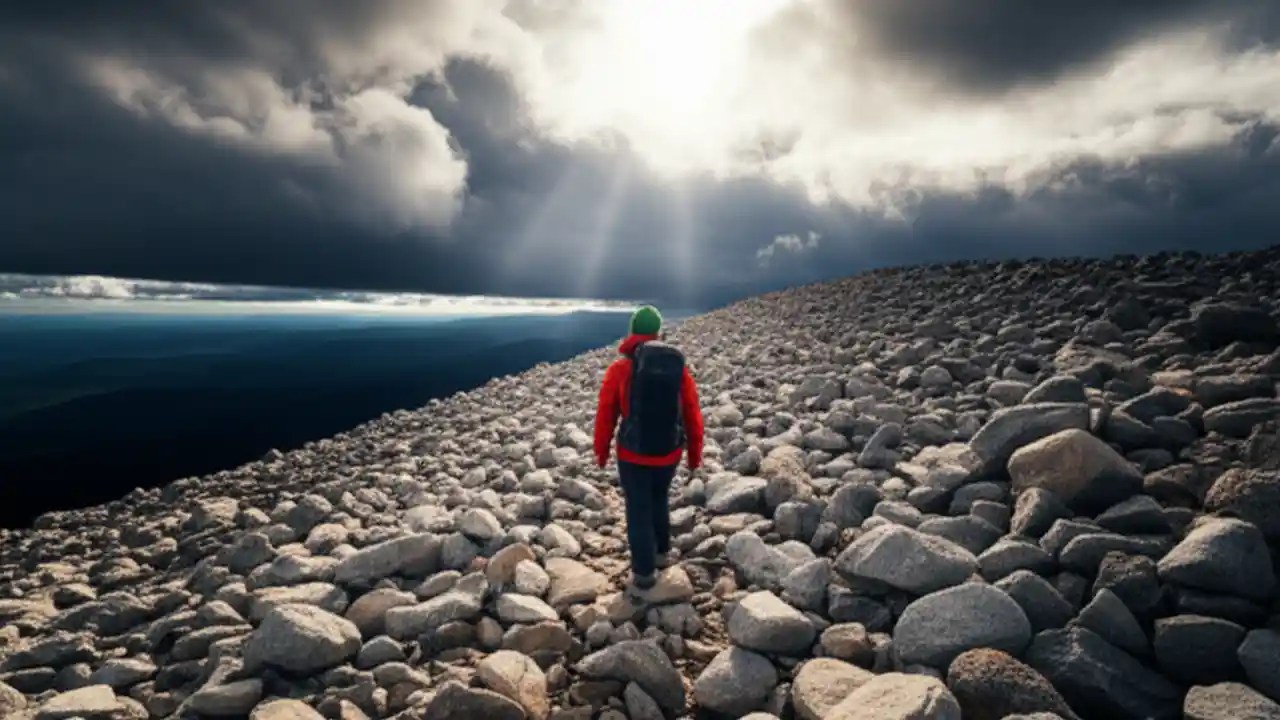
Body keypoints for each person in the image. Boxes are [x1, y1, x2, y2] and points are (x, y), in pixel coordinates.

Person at [594, 305, 703, 600]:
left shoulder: (619, 369)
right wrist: (694, 453)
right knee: (659, 498)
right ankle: (662, 554)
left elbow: (606, 412)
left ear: (632, 332)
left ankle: (643, 573)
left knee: (637, 507)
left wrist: (601, 450)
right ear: (658, 333)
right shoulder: (676, 369)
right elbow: (692, 412)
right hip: (669, 452)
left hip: (633, 454)